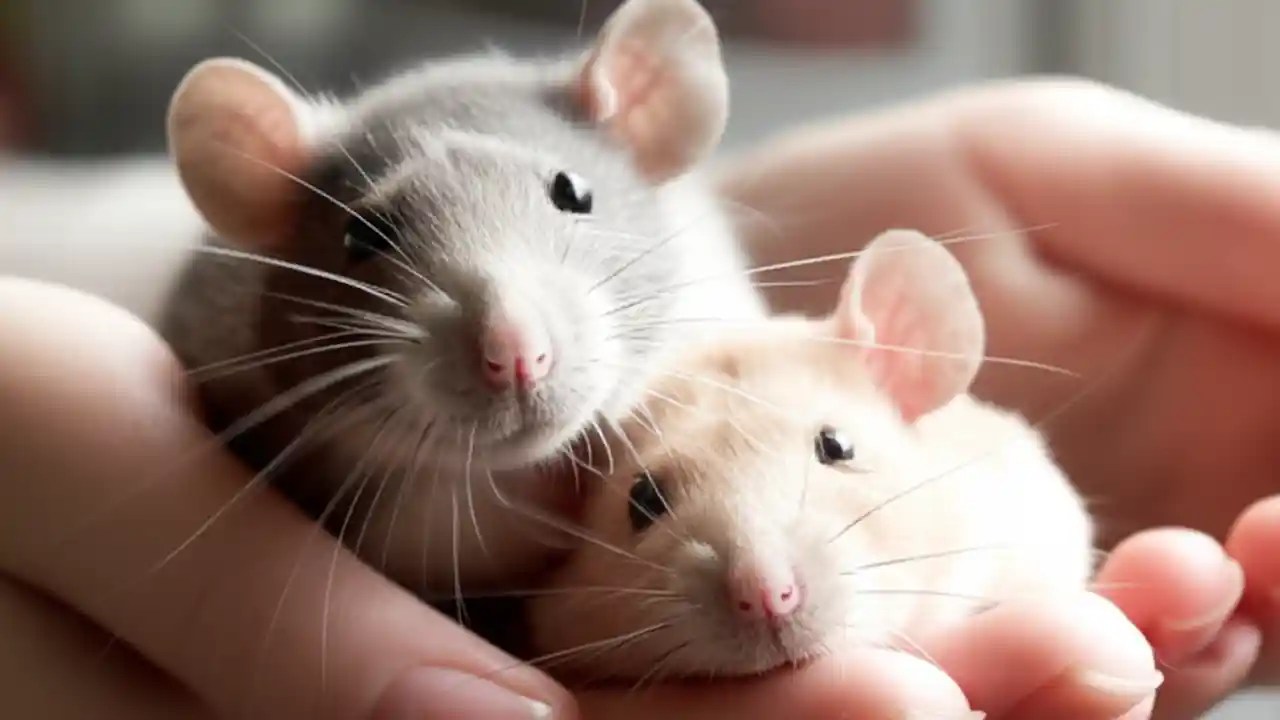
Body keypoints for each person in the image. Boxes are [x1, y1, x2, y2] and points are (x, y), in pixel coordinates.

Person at [1, 76, 1276, 719]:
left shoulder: (714, 272)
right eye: (374, 242)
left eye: (565, 201)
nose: (512, 344)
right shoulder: (265, 339)